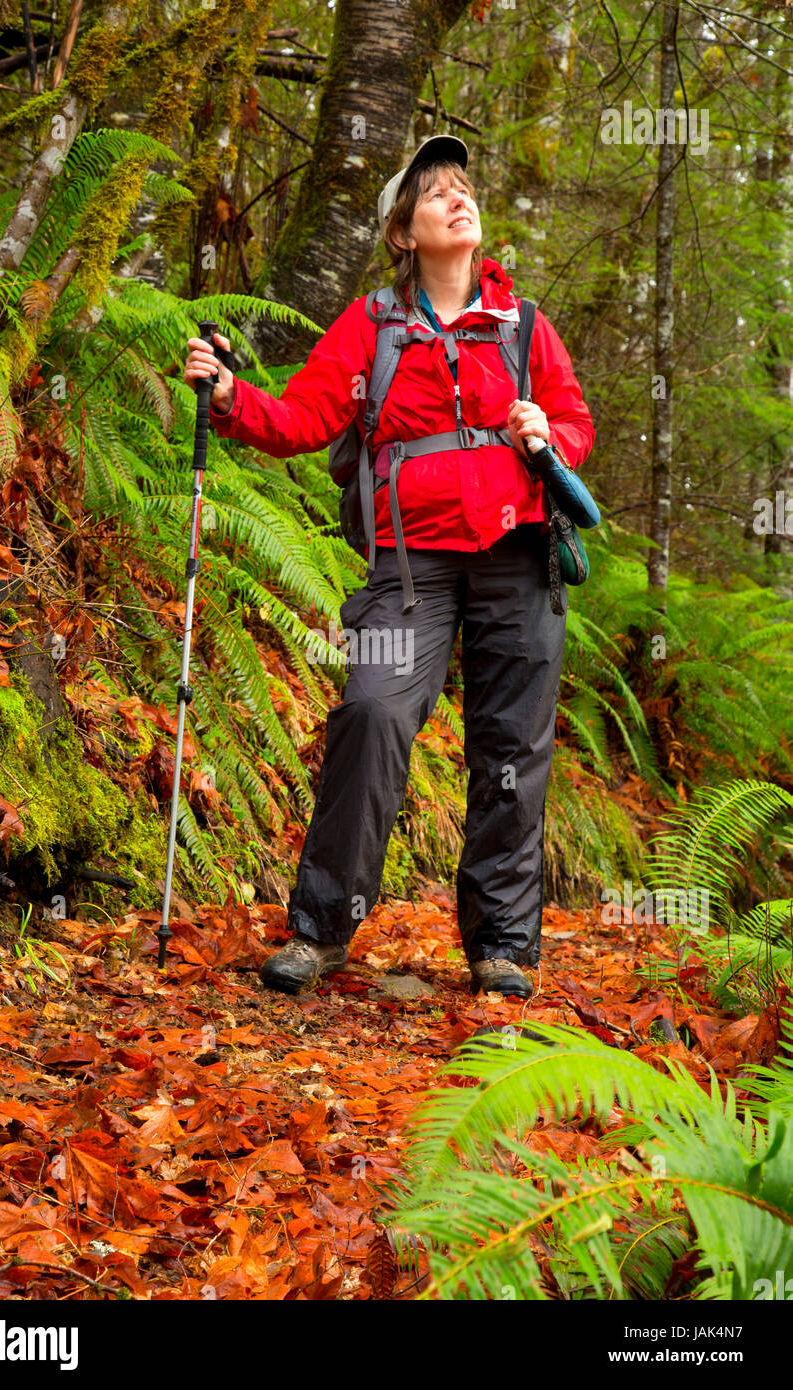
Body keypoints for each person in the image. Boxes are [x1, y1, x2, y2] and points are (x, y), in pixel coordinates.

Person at [184, 134, 595, 1000]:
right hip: (408, 567)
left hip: (519, 559)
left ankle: (503, 947)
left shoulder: (524, 327)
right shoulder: (371, 326)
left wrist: (548, 436)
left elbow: (575, 423)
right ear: (402, 232)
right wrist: (227, 395)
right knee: (370, 715)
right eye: (434, 193)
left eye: (463, 189)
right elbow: (298, 419)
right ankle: (321, 930)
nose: (458, 200)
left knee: (510, 750)